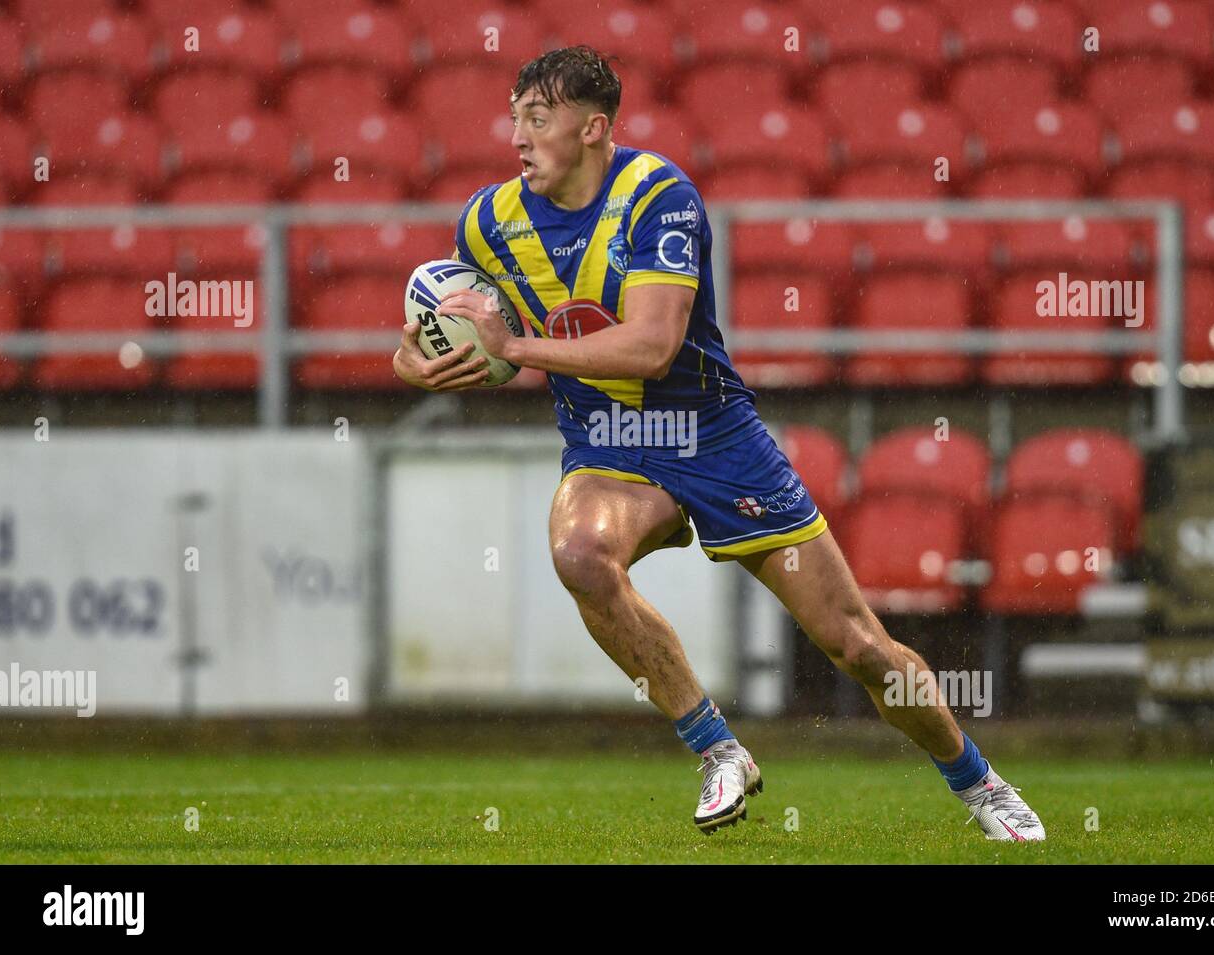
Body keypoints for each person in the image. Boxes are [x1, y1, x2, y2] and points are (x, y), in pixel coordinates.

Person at [393, 45, 1044, 840]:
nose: (519, 135)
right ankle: (718, 749)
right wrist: (416, 358)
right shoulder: (488, 222)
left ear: (595, 128)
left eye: (540, 117)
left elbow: (651, 348)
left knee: (856, 645)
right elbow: (450, 320)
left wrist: (518, 349)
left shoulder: (658, 196)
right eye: (515, 115)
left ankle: (979, 782)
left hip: (715, 437)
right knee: (580, 554)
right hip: (612, 444)